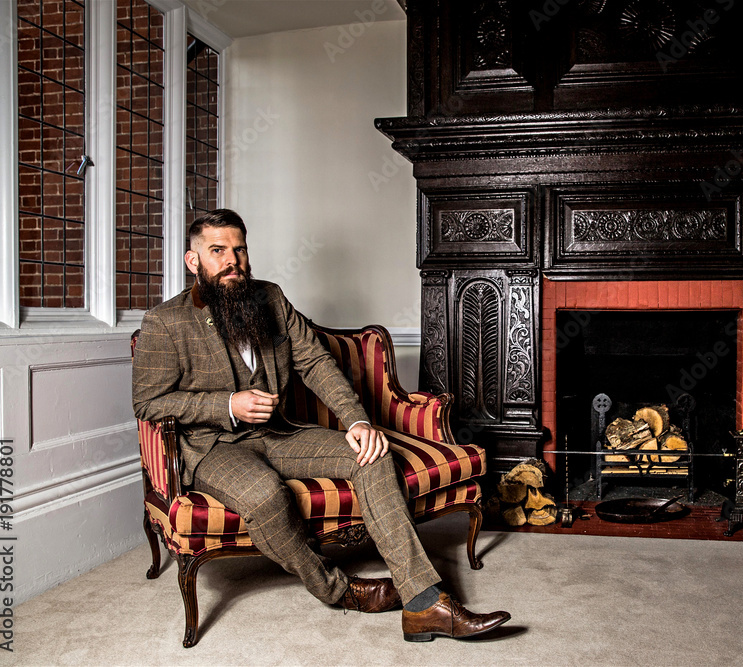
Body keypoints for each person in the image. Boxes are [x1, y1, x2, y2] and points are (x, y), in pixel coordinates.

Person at [132, 208, 510, 642]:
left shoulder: (269, 297)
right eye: (217, 251)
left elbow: (314, 361)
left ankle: (424, 604)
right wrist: (228, 404)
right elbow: (148, 402)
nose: (232, 260)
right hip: (212, 448)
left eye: (239, 249)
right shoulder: (165, 321)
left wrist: (358, 421)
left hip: (278, 433)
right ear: (193, 261)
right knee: (266, 496)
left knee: (372, 455)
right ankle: (338, 590)